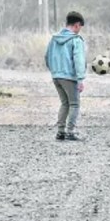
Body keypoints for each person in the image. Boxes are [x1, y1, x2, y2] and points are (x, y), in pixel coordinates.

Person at [45, 11, 86, 141]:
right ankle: (70, 131)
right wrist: (80, 79)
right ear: (77, 25)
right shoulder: (75, 40)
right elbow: (78, 60)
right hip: (69, 77)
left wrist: (54, 71)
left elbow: (47, 57)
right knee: (74, 104)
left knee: (64, 103)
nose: (79, 30)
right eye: (80, 27)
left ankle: (60, 131)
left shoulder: (54, 39)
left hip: (56, 76)